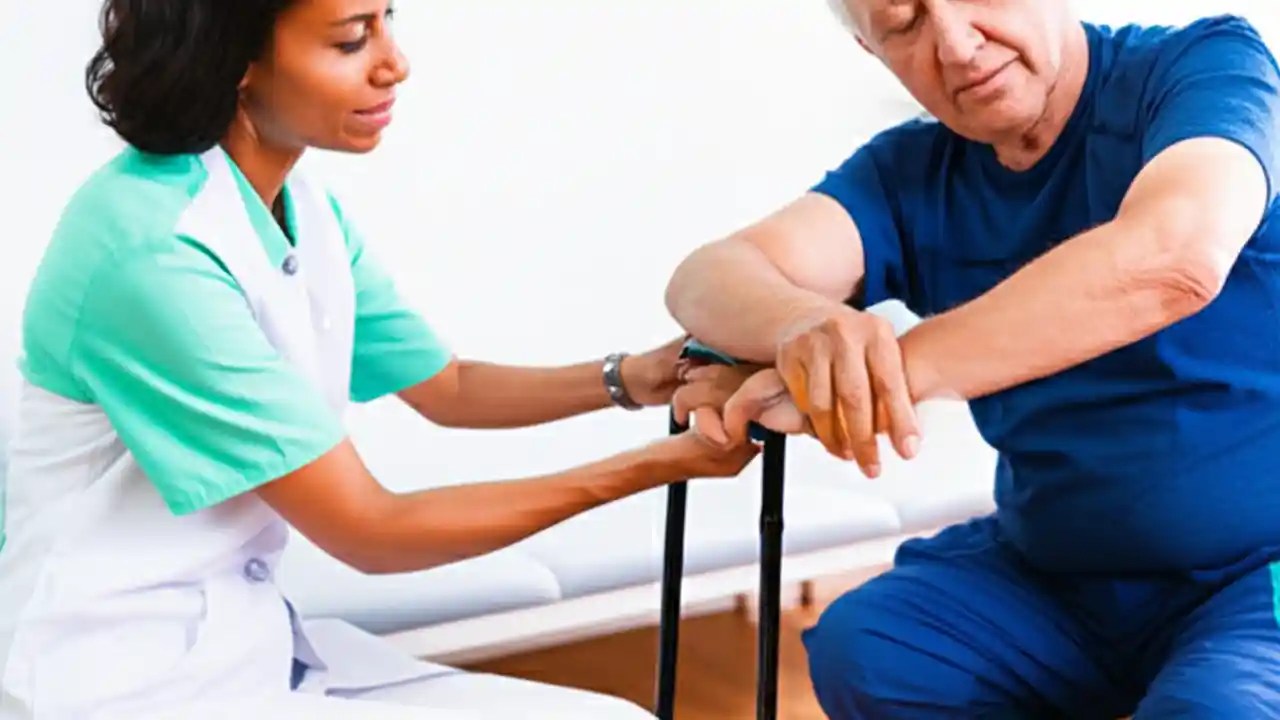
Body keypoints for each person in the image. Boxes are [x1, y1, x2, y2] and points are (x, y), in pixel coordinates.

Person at [0, 1, 761, 717]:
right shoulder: (152, 251)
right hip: (119, 679)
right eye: (351, 38)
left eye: (387, 20)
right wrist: (658, 464)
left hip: (245, 648)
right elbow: (371, 530)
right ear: (236, 58)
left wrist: (632, 377)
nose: (394, 64)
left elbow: (449, 387)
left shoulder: (299, 210)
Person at [665, 0, 1280, 717]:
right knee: (868, 651)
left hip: (1256, 566)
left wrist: (887, 373)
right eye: (903, 23)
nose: (956, 45)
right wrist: (803, 324)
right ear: (874, 52)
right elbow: (708, 275)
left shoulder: (1202, 69)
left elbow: (1174, 258)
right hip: (1059, 578)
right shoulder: (909, 175)